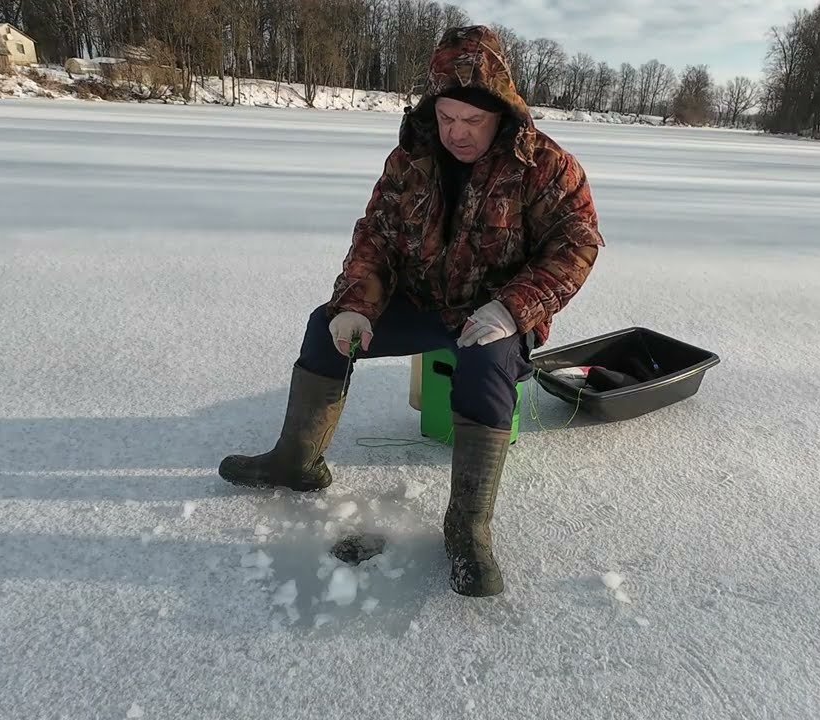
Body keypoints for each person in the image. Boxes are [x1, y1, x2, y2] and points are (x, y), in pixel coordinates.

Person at [219, 24, 604, 597]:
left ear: (501, 111)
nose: (457, 133)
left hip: (493, 316)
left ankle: (467, 528)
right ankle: (296, 463)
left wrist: (512, 308)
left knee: (485, 369)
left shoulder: (546, 165)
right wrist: (356, 305)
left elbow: (577, 247)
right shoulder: (410, 159)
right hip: (421, 301)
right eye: (446, 117)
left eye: (472, 120)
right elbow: (374, 236)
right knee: (324, 327)